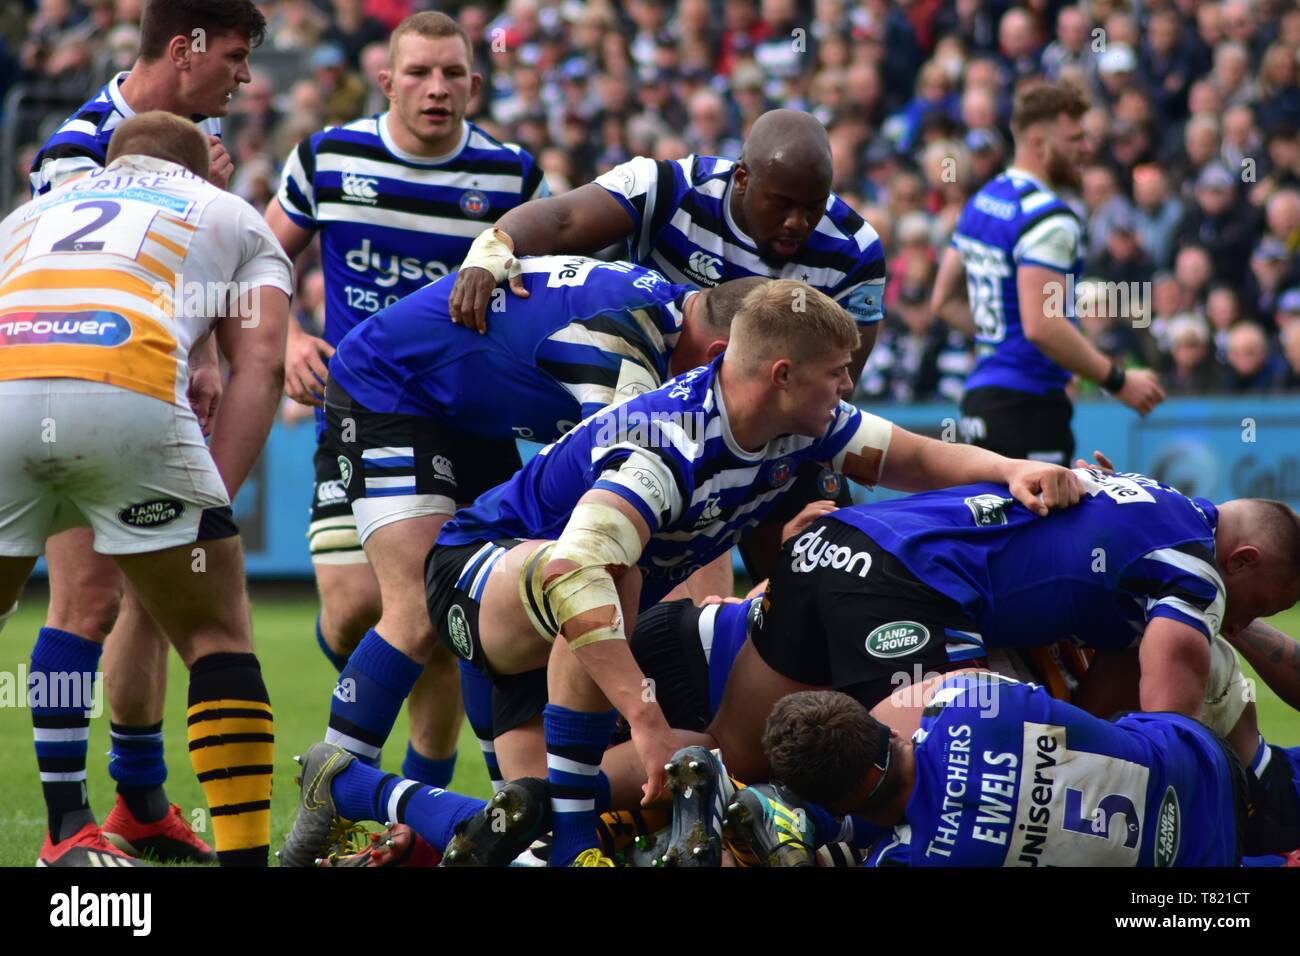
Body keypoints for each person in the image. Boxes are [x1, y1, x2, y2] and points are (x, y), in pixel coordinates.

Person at [277, 281, 1083, 868]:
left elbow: (914, 456)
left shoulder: (802, 425)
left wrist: (1013, 467)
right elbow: (572, 568)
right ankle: (568, 841)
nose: (848, 387)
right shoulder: (670, 443)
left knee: (520, 828)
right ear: (780, 375)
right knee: (604, 579)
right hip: (486, 581)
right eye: (838, 371)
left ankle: (350, 789)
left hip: (578, 632)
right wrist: (649, 718)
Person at [319, 258, 756, 790]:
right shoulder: (622, 358)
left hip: (471, 412)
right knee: (420, 607)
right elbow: (630, 494)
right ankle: (333, 791)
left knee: (496, 584)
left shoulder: (674, 312)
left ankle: (509, 802)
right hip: (392, 385)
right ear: (719, 356)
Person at [264, 11, 547, 792]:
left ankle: (414, 793)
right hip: (363, 414)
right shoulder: (328, 157)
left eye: (452, 74)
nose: (436, 88)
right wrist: (288, 338)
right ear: (386, 80)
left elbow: (549, 282)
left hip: (472, 424)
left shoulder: (512, 176)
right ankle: (384, 783)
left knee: (441, 615)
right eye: (419, 72)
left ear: (474, 83)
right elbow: (258, 258)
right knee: (360, 610)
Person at [0, 112, 292, 867]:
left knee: (69, 606)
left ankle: (68, 828)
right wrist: (210, 509)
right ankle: (246, 861)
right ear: (199, 169)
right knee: (214, 634)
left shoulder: (26, 213)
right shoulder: (228, 211)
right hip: (122, 386)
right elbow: (259, 369)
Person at [446, 107, 890, 582]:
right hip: (662, 422)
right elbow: (564, 219)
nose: (798, 222)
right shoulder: (669, 188)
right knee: (650, 583)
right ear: (741, 178)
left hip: (778, 433)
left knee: (818, 579)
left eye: (813, 207)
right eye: (781, 203)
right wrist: (496, 244)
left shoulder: (855, 249)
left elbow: (838, 387)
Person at [703, 468, 1300, 787]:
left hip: (835, 543)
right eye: (1261, 605)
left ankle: (618, 808)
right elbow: (1163, 734)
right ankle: (812, 834)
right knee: (960, 772)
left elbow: (1105, 701)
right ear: (1241, 560)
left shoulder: (1151, 496)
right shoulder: (1197, 577)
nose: (1243, 620)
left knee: (733, 759)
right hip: (910, 585)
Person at [761, 678, 1260, 866]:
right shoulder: (961, 701)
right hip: (1202, 757)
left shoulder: (907, 861)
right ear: (884, 729)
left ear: (842, 800)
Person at [933, 81, 1165, 466]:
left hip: (980, 402)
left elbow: (944, 300)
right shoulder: (1050, 218)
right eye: (1075, 139)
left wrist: (1016, 346)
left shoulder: (984, 201)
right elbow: (1042, 325)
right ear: (1039, 142)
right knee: (1044, 523)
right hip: (1028, 409)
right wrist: (1119, 381)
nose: (1086, 149)